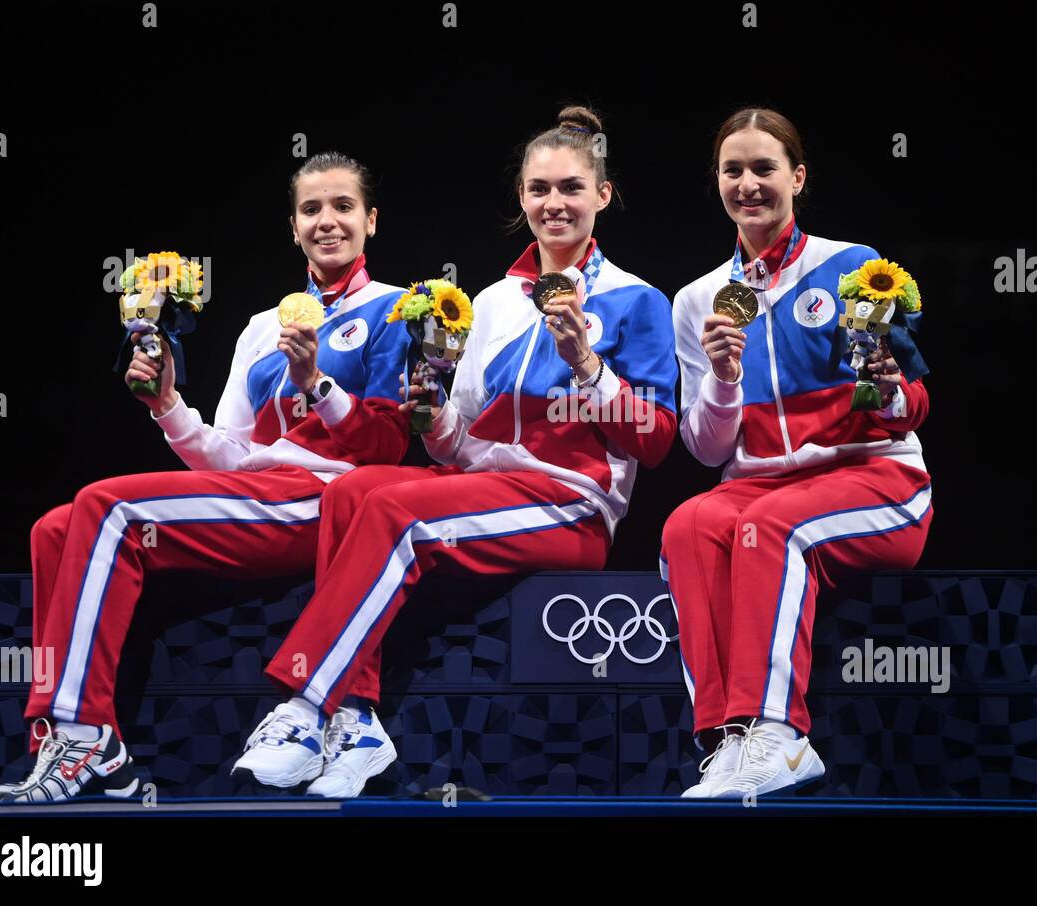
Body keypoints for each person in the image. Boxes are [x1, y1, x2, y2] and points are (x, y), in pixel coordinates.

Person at [232, 105, 680, 799]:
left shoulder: (637, 301)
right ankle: (357, 722)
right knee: (354, 491)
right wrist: (434, 416)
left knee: (398, 517)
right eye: (538, 189)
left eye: (569, 188)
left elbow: (653, 443)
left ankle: (303, 706)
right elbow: (458, 451)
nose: (553, 204)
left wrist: (589, 367)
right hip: (498, 494)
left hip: (572, 508)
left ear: (602, 195)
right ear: (521, 198)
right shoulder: (492, 304)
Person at [0, 151, 415, 803]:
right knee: (57, 527)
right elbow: (231, 457)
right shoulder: (259, 329)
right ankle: (75, 742)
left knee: (106, 505)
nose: (327, 221)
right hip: (259, 499)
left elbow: (387, 448)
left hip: (332, 509)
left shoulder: (397, 312)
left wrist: (317, 384)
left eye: (343, 207)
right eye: (311, 209)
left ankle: (80, 738)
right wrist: (167, 405)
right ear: (292, 226)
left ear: (372, 221)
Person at [661, 108, 934, 799]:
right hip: (759, 483)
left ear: (798, 177)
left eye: (764, 168)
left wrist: (886, 388)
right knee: (686, 526)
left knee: (771, 528)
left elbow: (914, 405)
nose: (748, 183)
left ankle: (779, 736)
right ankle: (727, 740)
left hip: (876, 478)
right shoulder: (698, 301)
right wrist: (724, 380)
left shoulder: (853, 269)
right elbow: (706, 447)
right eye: (733, 170)